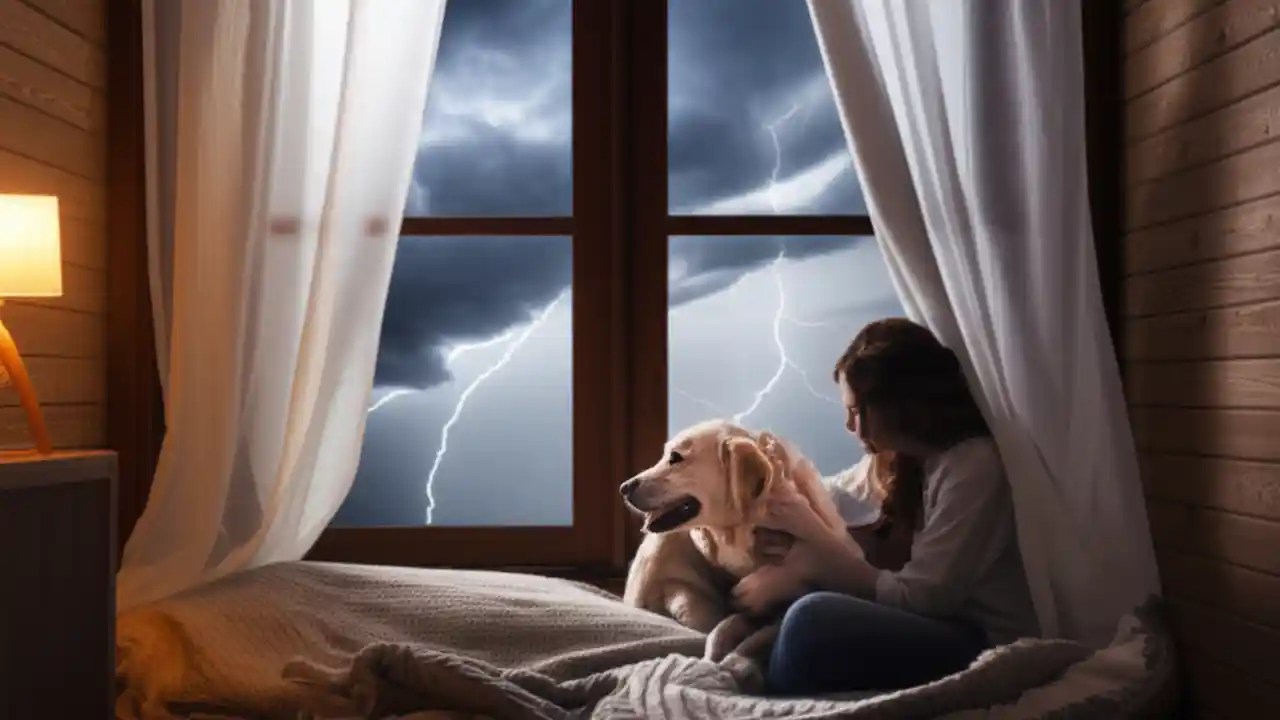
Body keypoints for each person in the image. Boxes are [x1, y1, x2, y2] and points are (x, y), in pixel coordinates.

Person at [733, 317, 1040, 696]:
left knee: (811, 619)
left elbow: (924, 598)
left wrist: (824, 561)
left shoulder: (972, 467)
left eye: (857, 411)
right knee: (794, 614)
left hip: (977, 637)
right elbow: (838, 491)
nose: (849, 425)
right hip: (935, 625)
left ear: (899, 406)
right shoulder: (909, 460)